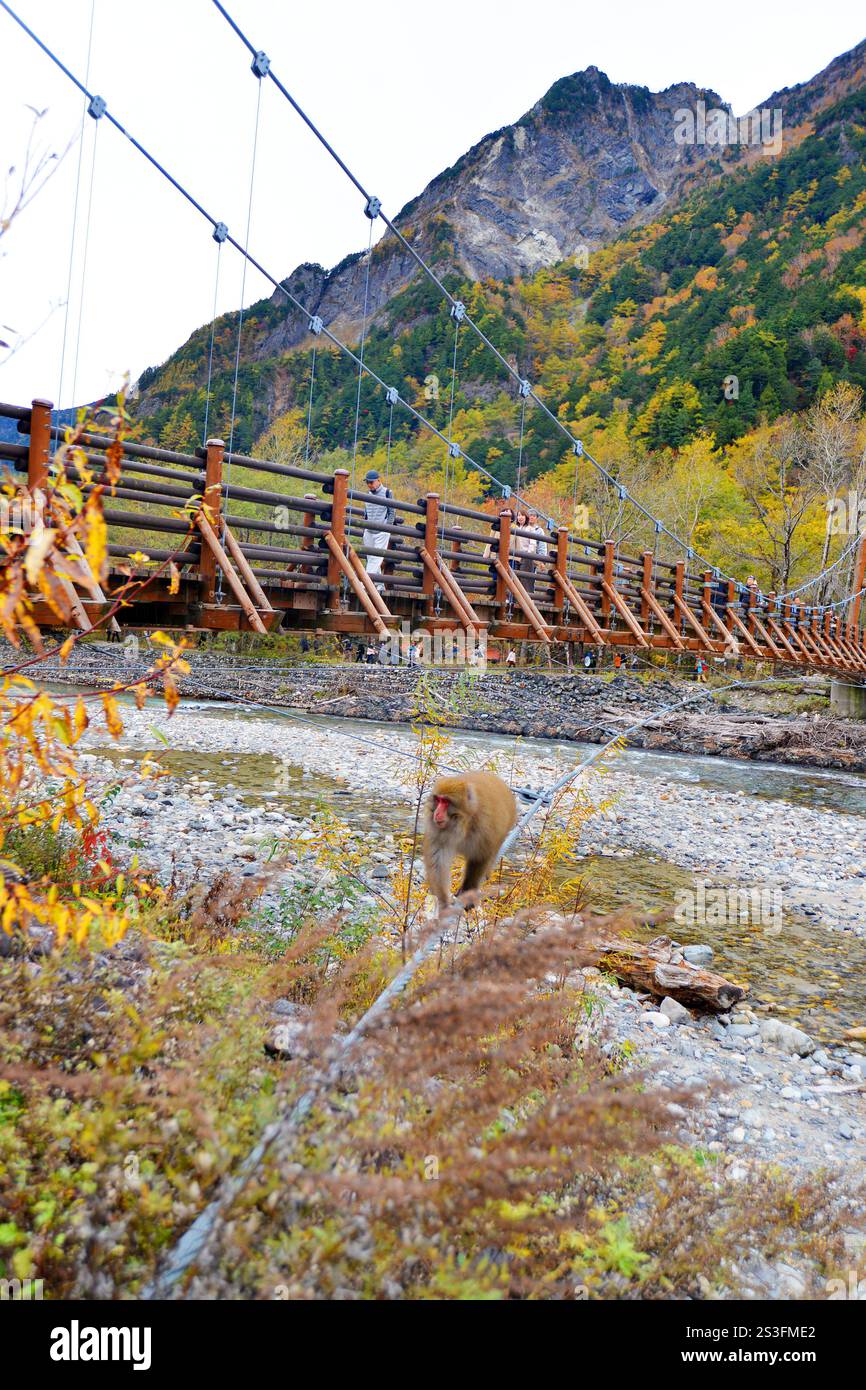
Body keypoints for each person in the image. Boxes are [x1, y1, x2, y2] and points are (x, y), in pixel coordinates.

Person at [362, 470, 395, 593]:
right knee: (371, 558)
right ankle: (380, 585)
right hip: (369, 530)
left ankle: (364, 582)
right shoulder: (367, 494)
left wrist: (387, 527)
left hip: (382, 530)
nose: (370, 485)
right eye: (368, 483)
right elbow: (366, 512)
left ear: (378, 480)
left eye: (371, 482)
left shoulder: (387, 492)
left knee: (376, 558)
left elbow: (392, 512)